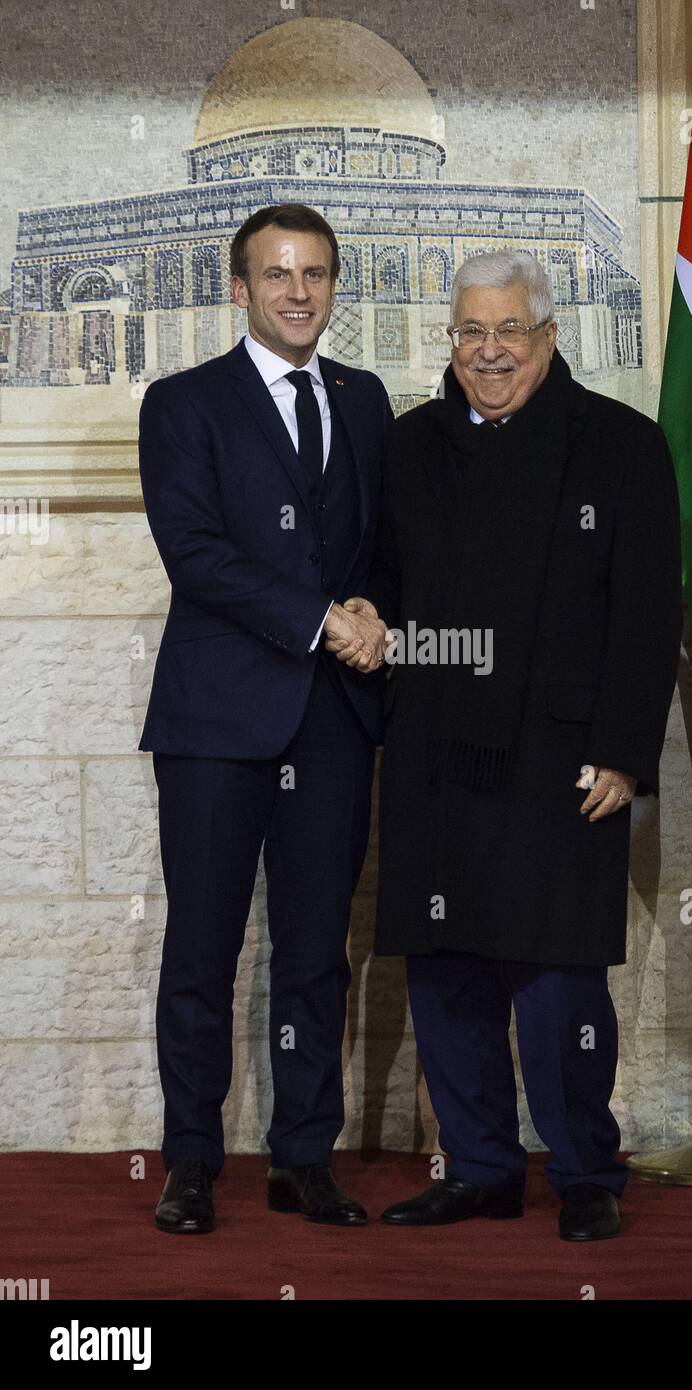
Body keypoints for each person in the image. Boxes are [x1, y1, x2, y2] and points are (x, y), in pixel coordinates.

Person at [350, 248, 682, 1240]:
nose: (487, 351)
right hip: (433, 754)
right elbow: (382, 585)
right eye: (468, 331)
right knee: (445, 971)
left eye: (507, 332)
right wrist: (365, 617)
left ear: (546, 336)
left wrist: (623, 752)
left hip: (563, 758)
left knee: (555, 981)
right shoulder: (409, 448)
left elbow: (644, 614)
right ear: (448, 339)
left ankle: (585, 1173)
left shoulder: (619, 445)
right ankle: (482, 1167)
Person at [139, 203, 390, 1234]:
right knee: (201, 948)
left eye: (316, 274)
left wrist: (377, 608)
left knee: (314, 952)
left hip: (332, 720)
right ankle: (191, 1162)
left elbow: (384, 539)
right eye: (278, 274)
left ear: (334, 286)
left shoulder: (367, 399)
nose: (298, 292)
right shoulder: (182, 403)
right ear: (238, 288)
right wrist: (319, 618)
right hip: (213, 721)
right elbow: (194, 553)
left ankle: (301, 1158)